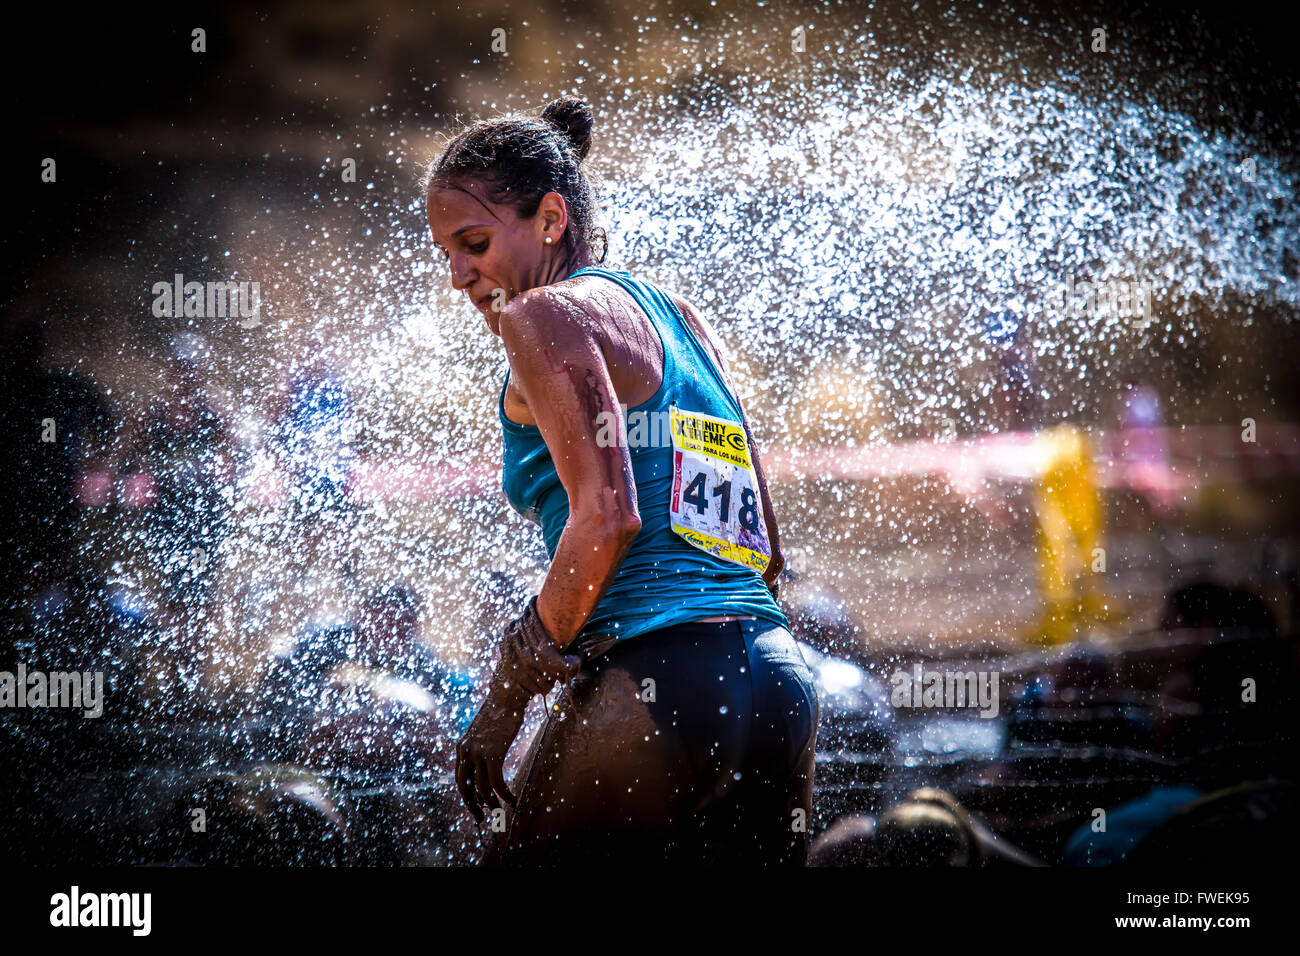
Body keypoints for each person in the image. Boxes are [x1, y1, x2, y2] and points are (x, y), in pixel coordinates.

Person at [423, 95, 819, 865]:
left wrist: (506, 701)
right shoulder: (682, 318)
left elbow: (606, 520)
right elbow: (765, 545)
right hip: (780, 680)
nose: (457, 275)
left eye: (472, 243)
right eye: (445, 252)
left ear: (550, 219)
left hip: (657, 682)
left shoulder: (538, 316)